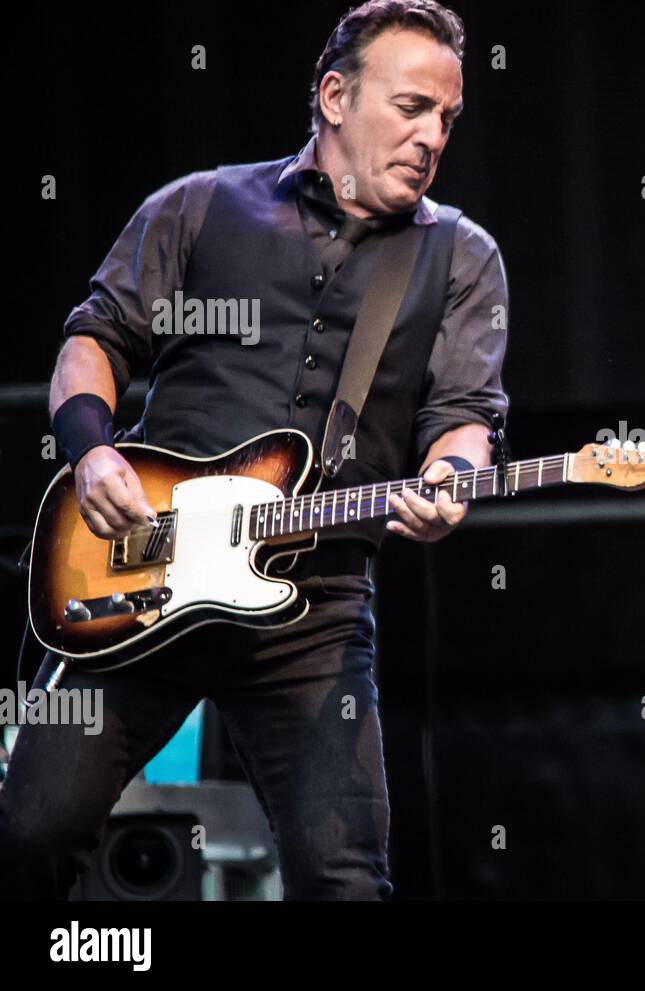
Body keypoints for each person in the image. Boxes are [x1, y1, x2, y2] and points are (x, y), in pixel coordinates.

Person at [0, 0, 507, 900]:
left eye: (448, 118)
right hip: (138, 576)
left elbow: (465, 413)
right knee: (29, 836)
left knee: (344, 879)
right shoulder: (200, 206)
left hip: (314, 607)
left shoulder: (460, 258)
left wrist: (453, 479)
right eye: (411, 107)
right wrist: (91, 452)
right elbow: (96, 340)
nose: (432, 136)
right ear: (335, 96)